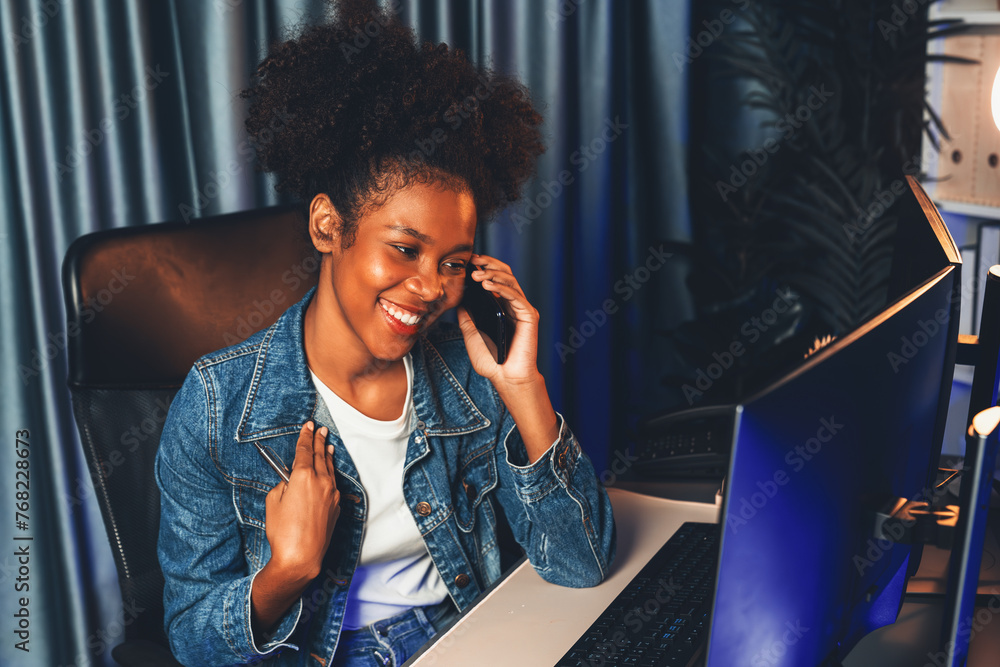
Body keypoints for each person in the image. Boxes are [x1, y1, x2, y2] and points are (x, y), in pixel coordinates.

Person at [155, 1, 616, 665]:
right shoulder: (216, 404)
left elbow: (583, 567)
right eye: (405, 249)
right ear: (327, 227)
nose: (431, 285)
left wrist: (525, 391)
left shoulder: (472, 373)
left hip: (474, 635)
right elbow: (193, 639)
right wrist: (287, 572)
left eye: (453, 262)